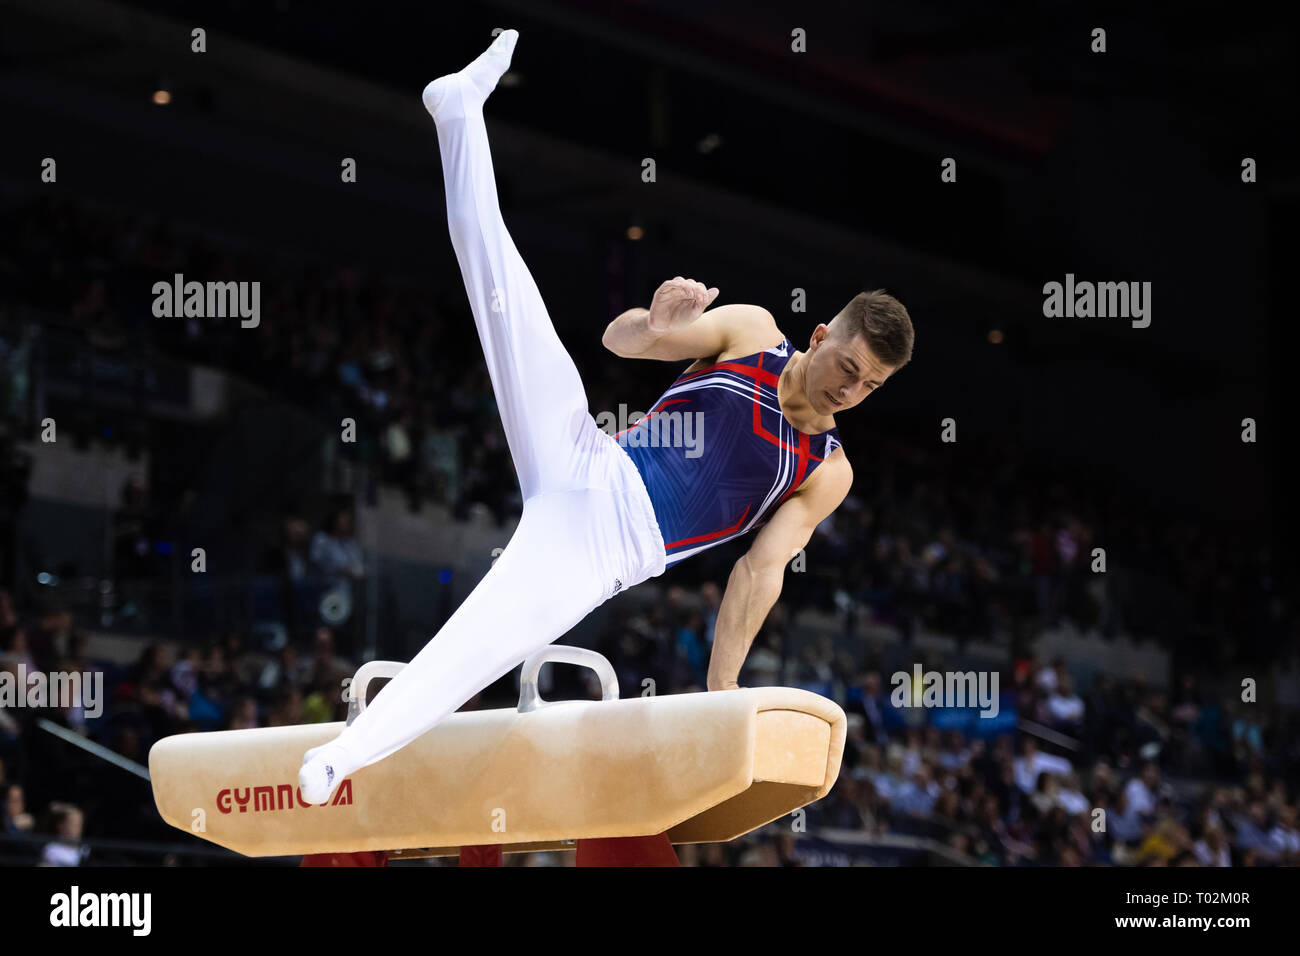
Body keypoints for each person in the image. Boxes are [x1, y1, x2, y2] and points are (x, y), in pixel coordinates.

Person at [298, 30, 914, 804]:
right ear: (822, 336)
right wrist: (657, 325)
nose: (849, 390)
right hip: (585, 456)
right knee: (507, 300)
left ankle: (342, 757)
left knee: (480, 647)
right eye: (848, 368)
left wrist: (721, 695)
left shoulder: (826, 470)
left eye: (870, 387)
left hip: (601, 551)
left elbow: (759, 573)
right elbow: (613, 339)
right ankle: (458, 116)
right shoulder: (753, 332)